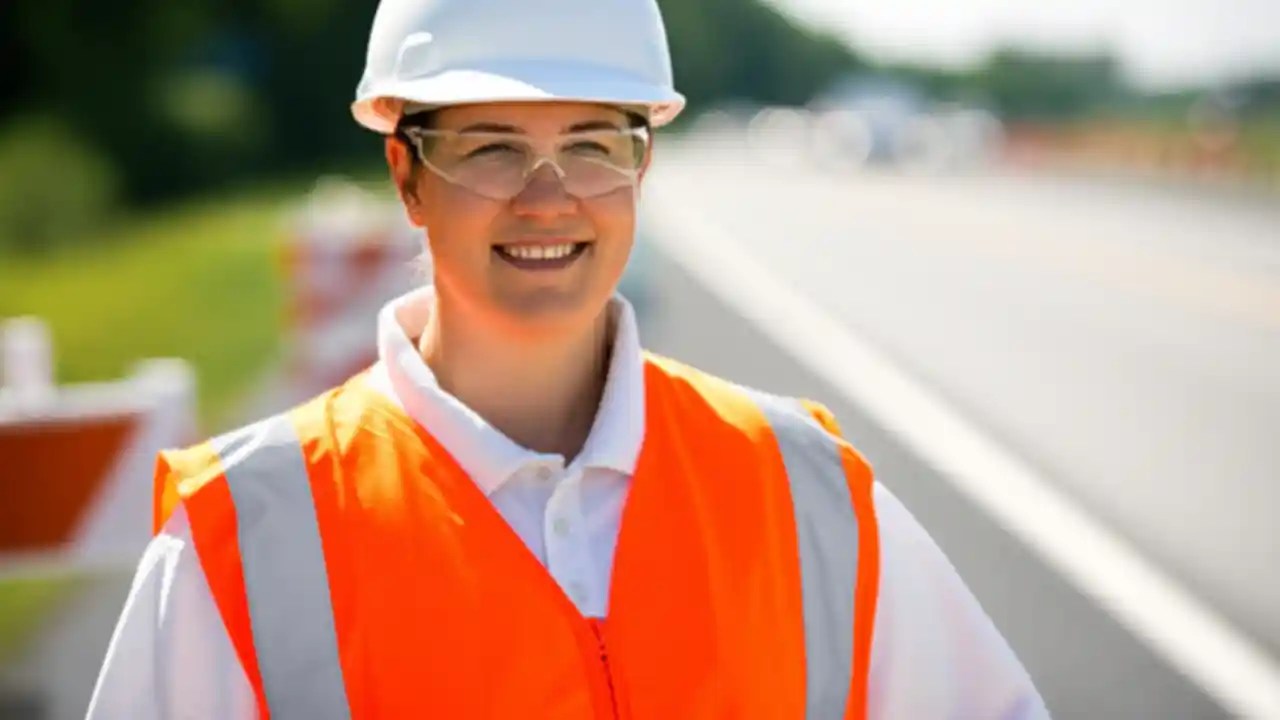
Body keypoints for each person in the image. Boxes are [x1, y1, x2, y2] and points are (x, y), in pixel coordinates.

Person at [87, 0, 1049, 717]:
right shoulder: (247, 540)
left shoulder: (807, 495)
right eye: (494, 149)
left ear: (642, 167)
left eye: (592, 145)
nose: (549, 199)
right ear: (407, 175)